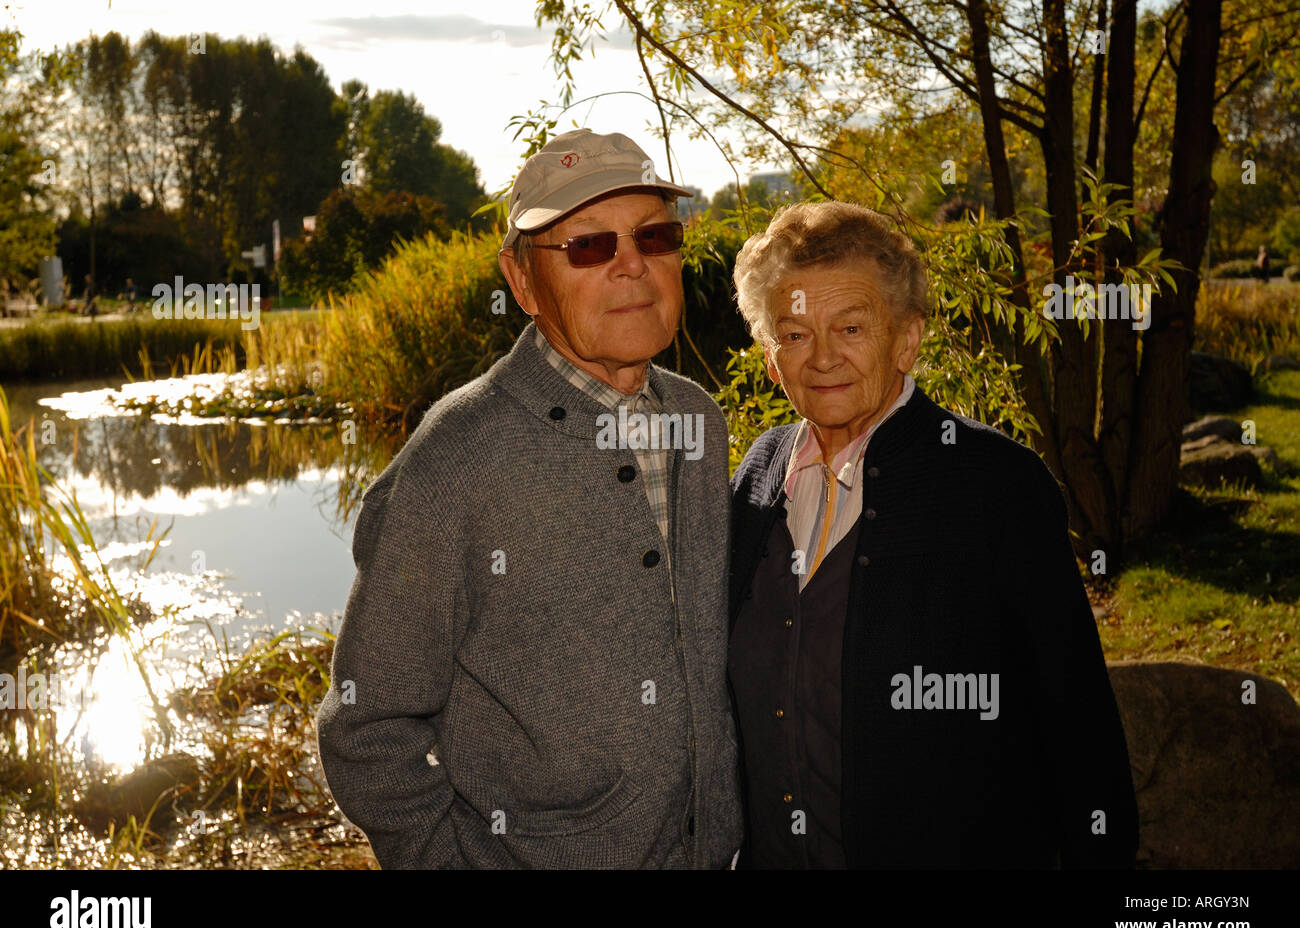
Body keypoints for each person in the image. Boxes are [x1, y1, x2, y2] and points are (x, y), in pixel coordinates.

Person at [316, 128, 743, 869]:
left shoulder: (698, 420)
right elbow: (368, 727)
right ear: (520, 280)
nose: (632, 264)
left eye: (654, 235)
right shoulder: (455, 459)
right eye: (589, 246)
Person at [727, 200, 1138, 868]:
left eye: (851, 327)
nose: (823, 357)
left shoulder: (994, 484)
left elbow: (1078, 722)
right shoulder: (758, 473)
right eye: (795, 333)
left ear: (906, 339)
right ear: (770, 359)